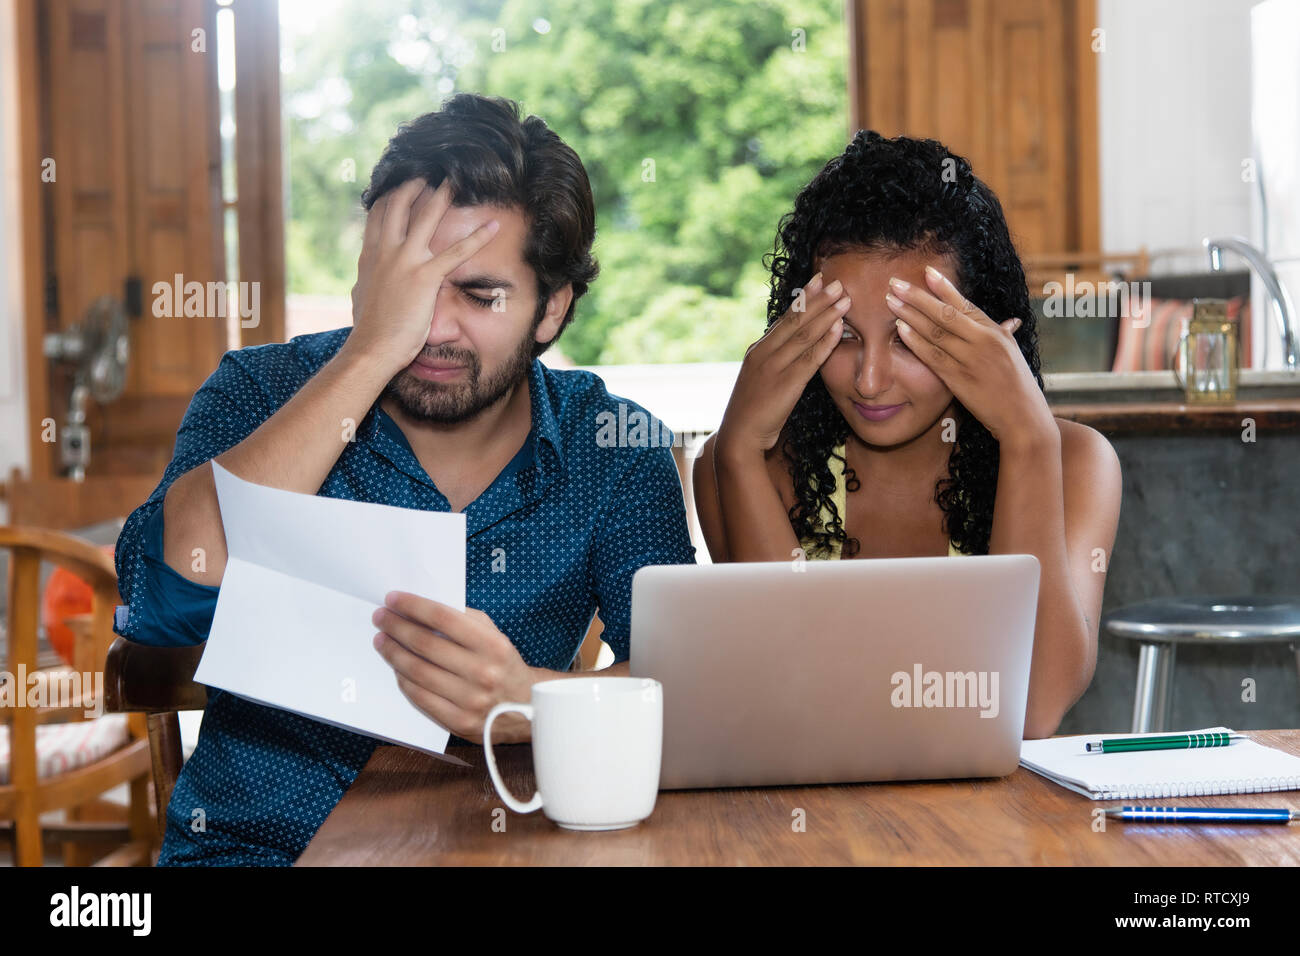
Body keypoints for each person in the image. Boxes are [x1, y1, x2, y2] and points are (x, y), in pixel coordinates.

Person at [113, 93, 695, 865]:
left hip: (502, 847)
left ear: (552, 309)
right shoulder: (259, 390)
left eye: (479, 294)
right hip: (254, 854)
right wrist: (367, 353)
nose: (432, 327)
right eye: (404, 284)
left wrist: (527, 702)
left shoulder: (613, 447)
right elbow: (163, 600)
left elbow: (683, 686)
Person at [693, 131, 1121, 739]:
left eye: (908, 336)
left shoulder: (1076, 462)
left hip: (998, 833)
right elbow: (790, 703)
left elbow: (1029, 712)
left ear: (985, 333)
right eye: (842, 335)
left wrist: (1026, 438)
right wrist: (737, 449)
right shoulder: (743, 466)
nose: (869, 381)